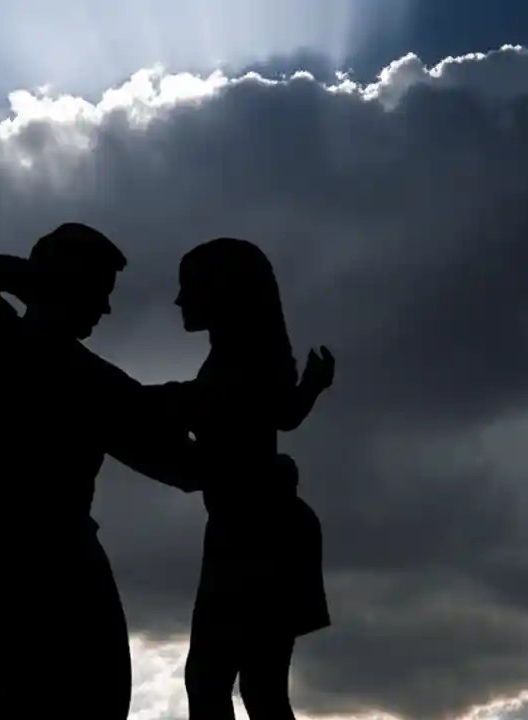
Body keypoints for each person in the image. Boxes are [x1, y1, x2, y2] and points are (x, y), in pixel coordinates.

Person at [0, 222, 202, 719]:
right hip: (51, 554)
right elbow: (179, 461)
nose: (106, 308)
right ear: (65, 285)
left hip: (18, 551)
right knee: (88, 700)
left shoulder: (3, 339)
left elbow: (180, 463)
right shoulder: (51, 362)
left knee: (47, 702)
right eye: (99, 291)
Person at [145, 238, 335, 720]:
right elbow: (284, 413)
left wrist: (125, 399)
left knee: (219, 682)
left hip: (254, 535)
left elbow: (202, 405)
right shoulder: (242, 360)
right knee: (253, 686)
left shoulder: (239, 367)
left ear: (222, 291)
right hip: (254, 530)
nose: (179, 300)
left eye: (189, 287)